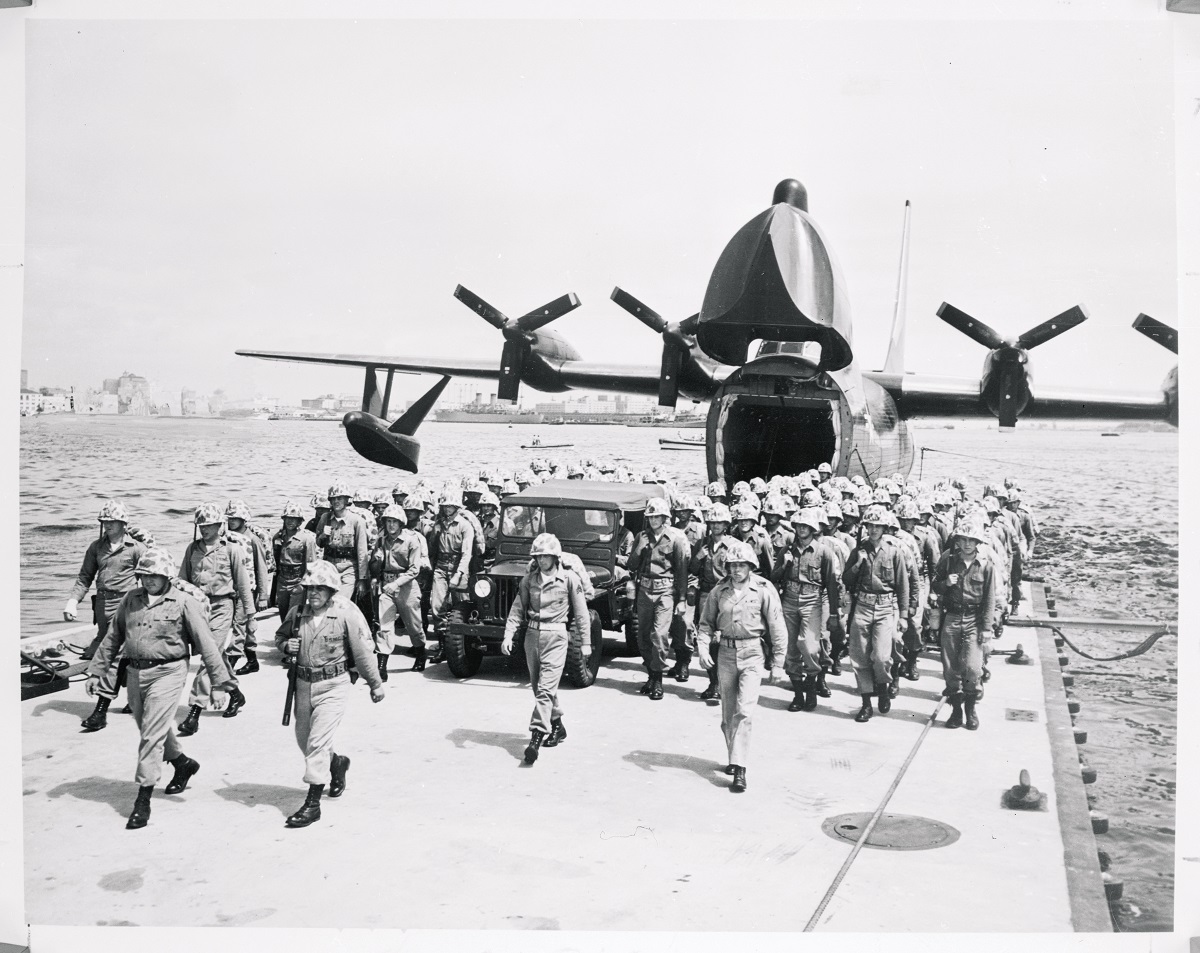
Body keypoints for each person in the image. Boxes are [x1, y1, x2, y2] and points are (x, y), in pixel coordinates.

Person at [84, 548, 236, 830]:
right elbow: (113, 637)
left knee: (151, 735)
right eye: (145, 574)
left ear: (166, 575)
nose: (150, 580)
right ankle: (182, 763)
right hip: (134, 672)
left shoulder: (184, 603)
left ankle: (143, 799)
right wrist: (96, 672)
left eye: (155, 575)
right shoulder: (131, 599)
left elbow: (207, 645)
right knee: (148, 726)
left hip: (169, 672)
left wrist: (219, 684)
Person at [275, 561, 385, 828]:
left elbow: (362, 651)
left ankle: (312, 804)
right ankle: (337, 764)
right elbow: (280, 637)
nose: (313, 594)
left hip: (334, 684)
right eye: (310, 588)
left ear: (331, 590)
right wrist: (285, 645)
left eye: (320, 589)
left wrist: (375, 683)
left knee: (317, 743)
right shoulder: (297, 612)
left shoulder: (346, 612)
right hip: (302, 683)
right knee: (305, 739)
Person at [696, 540, 787, 794]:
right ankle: (733, 756)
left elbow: (778, 627)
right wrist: (703, 650)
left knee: (744, 711)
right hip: (725, 654)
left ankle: (740, 768)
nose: (736, 570)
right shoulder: (718, 591)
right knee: (728, 716)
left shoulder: (764, 589)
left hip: (752, 654)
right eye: (732, 565)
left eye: (741, 565)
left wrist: (778, 663)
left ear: (751, 566)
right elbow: (705, 624)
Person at [501, 533, 590, 765]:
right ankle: (558, 726)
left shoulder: (569, 579)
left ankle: (536, 738)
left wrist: (586, 643)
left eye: (546, 556)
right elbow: (518, 607)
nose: (541, 560)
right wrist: (508, 634)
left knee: (545, 689)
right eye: (538, 556)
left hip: (557, 636)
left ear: (555, 556)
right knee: (541, 687)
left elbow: (581, 614)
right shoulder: (529, 580)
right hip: (532, 635)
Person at [66, 500, 149, 732]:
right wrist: (73, 601)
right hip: (102, 605)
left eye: (111, 521)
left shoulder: (136, 549)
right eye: (104, 521)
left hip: (128, 605)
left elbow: (152, 578)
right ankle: (137, 696)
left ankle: (100, 711)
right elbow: (85, 577)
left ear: (123, 523)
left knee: (111, 655)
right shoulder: (96, 547)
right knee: (123, 655)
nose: (107, 525)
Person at [176, 504, 251, 735]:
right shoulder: (192, 549)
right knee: (216, 656)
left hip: (222, 607)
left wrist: (250, 616)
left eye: (209, 525)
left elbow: (243, 585)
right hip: (198, 609)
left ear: (220, 526)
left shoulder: (232, 550)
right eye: (202, 525)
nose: (205, 529)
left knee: (209, 657)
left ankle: (195, 710)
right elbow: (182, 581)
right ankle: (236, 695)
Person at [842, 504, 909, 723]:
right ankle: (866, 703)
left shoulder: (894, 552)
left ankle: (882, 686)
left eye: (877, 526)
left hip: (885, 608)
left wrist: (905, 615)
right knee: (860, 657)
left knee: (881, 657)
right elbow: (846, 580)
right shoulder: (857, 551)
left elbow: (903, 585)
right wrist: (857, 564)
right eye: (869, 525)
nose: (873, 530)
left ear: (884, 528)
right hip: (862, 606)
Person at [930, 515, 997, 731]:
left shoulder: (986, 566)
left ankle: (971, 710)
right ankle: (957, 712)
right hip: (951, 618)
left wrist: (986, 629)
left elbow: (989, 599)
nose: (967, 544)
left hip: (973, 620)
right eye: (963, 539)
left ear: (978, 543)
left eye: (972, 540)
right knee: (951, 669)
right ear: (958, 541)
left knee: (972, 667)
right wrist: (945, 583)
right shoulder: (948, 559)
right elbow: (934, 586)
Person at [774, 507, 841, 713]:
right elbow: (773, 579)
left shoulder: (824, 552)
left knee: (810, 646)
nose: (802, 529)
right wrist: (784, 566)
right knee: (790, 648)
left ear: (813, 528)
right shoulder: (787, 551)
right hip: (790, 599)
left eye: (806, 526)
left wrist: (833, 613)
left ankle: (811, 684)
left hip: (813, 600)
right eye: (799, 525)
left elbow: (831, 584)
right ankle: (797, 693)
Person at [629, 497, 691, 700]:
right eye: (650, 517)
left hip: (666, 591)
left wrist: (681, 599)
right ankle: (650, 673)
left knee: (660, 634)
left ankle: (657, 678)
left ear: (665, 518)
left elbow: (681, 570)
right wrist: (640, 548)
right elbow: (631, 565)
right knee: (643, 635)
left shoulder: (675, 538)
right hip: (644, 590)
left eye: (657, 517)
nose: (654, 520)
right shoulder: (641, 536)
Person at [369, 504, 425, 676]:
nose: (391, 525)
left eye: (394, 522)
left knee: (414, 626)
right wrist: (375, 563)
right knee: (384, 627)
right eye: (388, 522)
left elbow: (414, 570)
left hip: (407, 586)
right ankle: (381, 667)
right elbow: (374, 567)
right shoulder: (381, 540)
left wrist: (397, 583)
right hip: (387, 587)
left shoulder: (412, 540)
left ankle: (421, 653)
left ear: (401, 523)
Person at [688, 502, 734, 702]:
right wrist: (698, 557)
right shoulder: (703, 544)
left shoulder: (733, 545)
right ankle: (713, 683)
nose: (715, 526)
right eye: (712, 522)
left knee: (723, 641)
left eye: (719, 523)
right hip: (706, 595)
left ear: (726, 525)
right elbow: (691, 568)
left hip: (726, 595)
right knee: (706, 639)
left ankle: (725, 684)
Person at [426, 487, 475, 665]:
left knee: (461, 607)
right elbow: (432, 548)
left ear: (457, 507)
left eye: (450, 506)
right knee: (438, 607)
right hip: (440, 566)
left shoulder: (464, 526)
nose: (447, 509)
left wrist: (458, 574)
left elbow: (466, 554)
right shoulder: (438, 524)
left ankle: (459, 646)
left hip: (458, 566)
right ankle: (442, 647)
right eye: (445, 506)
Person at [225, 500, 270, 675]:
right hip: (231, 589)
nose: (231, 521)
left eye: (235, 518)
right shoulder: (228, 538)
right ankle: (252, 660)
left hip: (248, 590)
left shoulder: (253, 540)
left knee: (239, 624)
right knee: (248, 625)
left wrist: (263, 595)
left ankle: (230, 662)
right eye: (230, 518)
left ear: (244, 519)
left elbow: (262, 569)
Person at [272, 500, 319, 633]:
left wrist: (303, 584)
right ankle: (286, 639)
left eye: (294, 519)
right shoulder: (278, 537)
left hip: (298, 581)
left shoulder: (306, 539)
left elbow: (311, 564)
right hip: (282, 581)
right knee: (283, 613)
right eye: (288, 518)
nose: (290, 522)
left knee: (295, 614)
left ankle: (294, 642)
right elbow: (274, 560)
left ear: (300, 522)